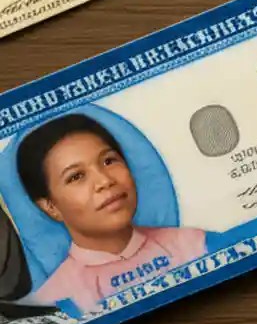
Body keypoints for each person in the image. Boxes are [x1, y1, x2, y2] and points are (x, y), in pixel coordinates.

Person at [15, 114, 207, 312]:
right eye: (76, 176)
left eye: (108, 161)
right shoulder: (53, 303)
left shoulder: (197, 245)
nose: (105, 181)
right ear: (50, 207)